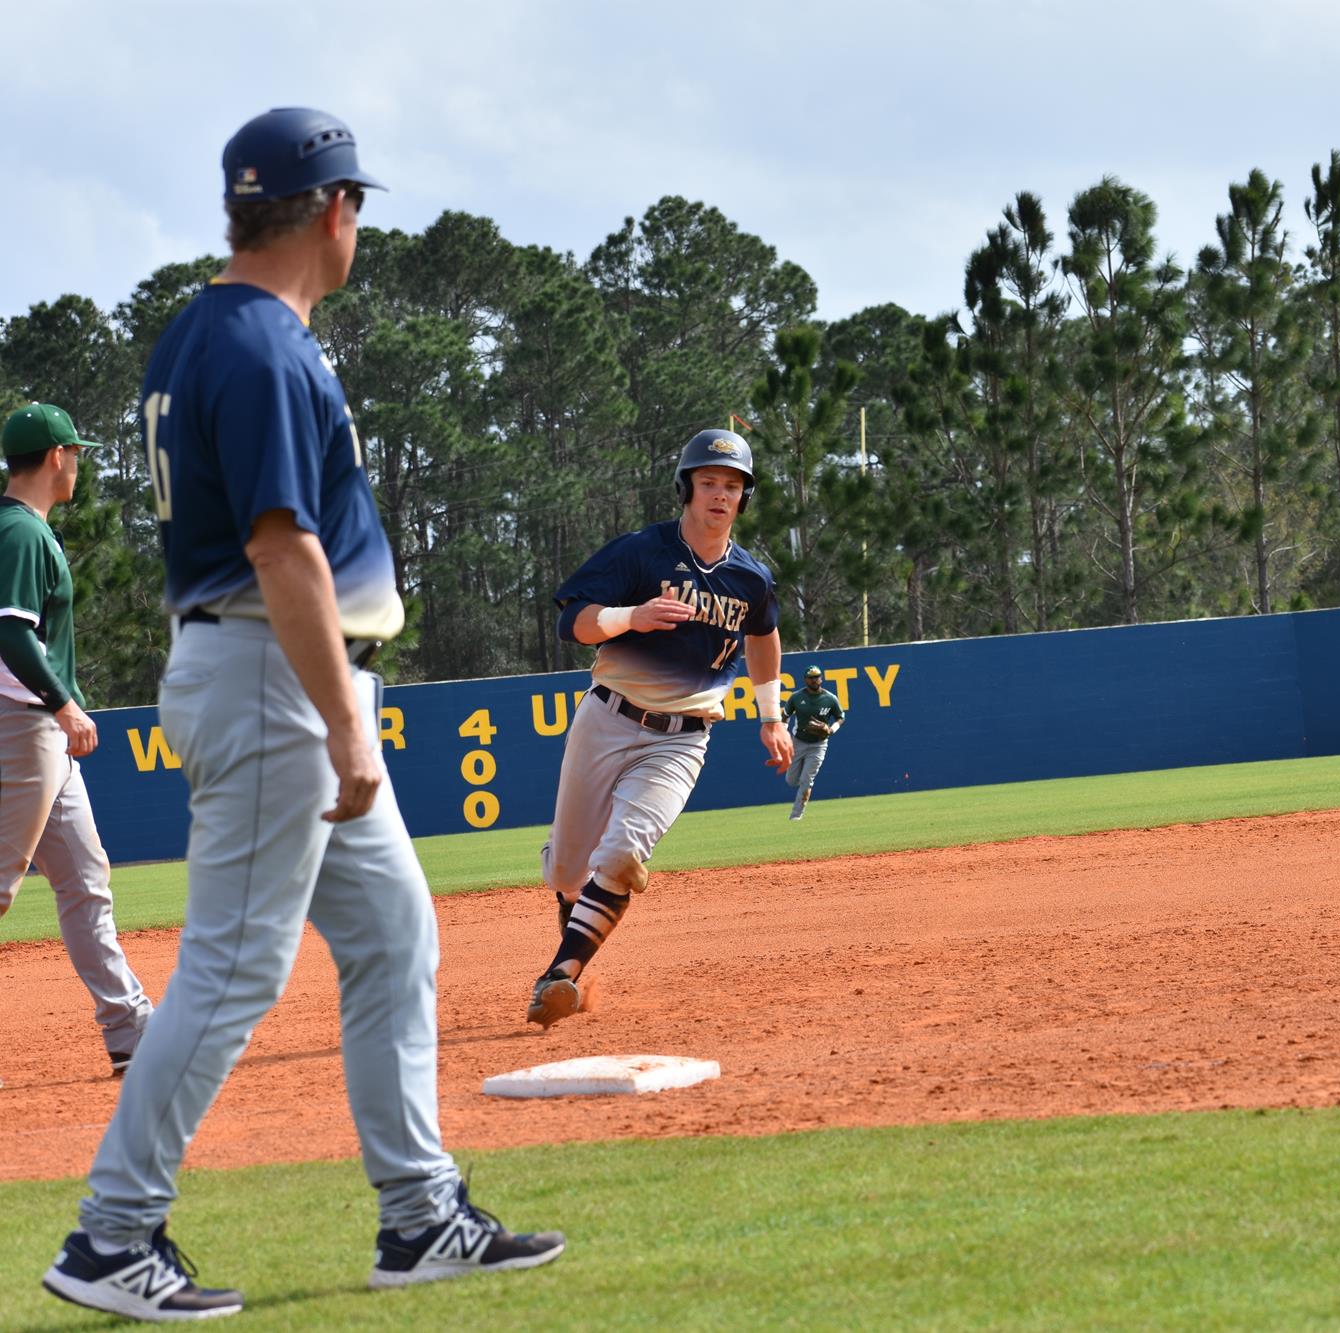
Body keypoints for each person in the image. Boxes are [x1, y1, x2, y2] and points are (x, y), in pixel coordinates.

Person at [42, 108, 562, 1325]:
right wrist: (342, 722)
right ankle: (113, 1233)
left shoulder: (198, 330)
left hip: (265, 670)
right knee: (234, 963)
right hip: (278, 675)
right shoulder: (264, 345)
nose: (359, 228)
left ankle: (420, 1212)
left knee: (393, 934)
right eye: (358, 207)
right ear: (332, 211)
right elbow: (284, 548)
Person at [530, 427, 792, 1029]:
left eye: (732, 486)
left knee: (623, 855)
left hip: (683, 736)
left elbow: (764, 633)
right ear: (687, 488)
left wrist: (771, 716)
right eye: (709, 483)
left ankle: (559, 977)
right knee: (569, 871)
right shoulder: (640, 553)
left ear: (743, 498)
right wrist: (631, 617)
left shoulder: (750, 578)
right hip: (607, 717)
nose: (720, 495)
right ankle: (573, 935)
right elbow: (574, 622)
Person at [0, 403, 153, 1075]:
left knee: (86, 880)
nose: (81, 463)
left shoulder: (25, 529)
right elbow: (10, 633)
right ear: (56, 457)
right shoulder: (19, 533)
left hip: (41, 734)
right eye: (77, 452)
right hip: (24, 725)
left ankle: (130, 1029)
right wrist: (64, 705)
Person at [780, 665, 844, 820]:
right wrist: (783, 734)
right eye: (811, 678)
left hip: (819, 745)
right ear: (805, 680)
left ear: (821, 678)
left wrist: (831, 729)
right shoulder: (796, 697)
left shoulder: (830, 698)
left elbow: (841, 717)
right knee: (791, 780)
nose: (815, 680)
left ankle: (796, 816)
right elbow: (785, 716)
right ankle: (799, 796)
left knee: (806, 780)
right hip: (798, 742)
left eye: (817, 677)